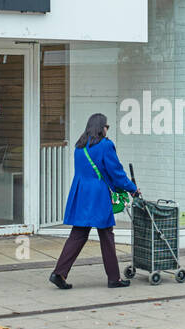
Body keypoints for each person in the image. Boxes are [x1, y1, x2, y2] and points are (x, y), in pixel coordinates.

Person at [50, 113, 139, 290]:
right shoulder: (105, 146)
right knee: (106, 235)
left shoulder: (79, 146)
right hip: (97, 195)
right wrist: (132, 188)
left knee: (78, 234)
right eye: (107, 126)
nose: (108, 130)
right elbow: (116, 172)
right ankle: (114, 278)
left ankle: (59, 273)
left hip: (81, 192)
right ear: (102, 127)